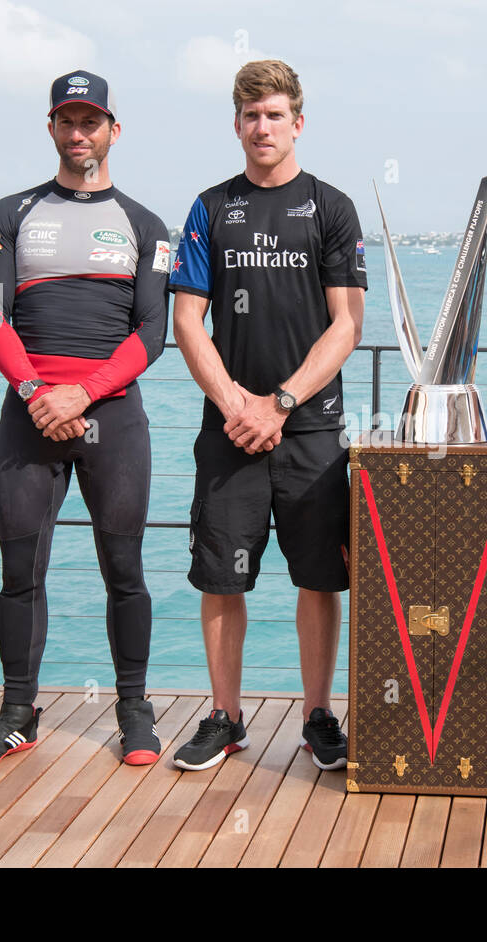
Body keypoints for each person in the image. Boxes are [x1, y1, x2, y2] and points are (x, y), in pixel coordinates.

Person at [0, 70, 171, 770]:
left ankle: (133, 710)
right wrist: (35, 391)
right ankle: (17, 714)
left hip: (112, 418)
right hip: (29, 416)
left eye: (91, 121)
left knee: (125, 569)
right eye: (66, 121)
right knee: (20, 570)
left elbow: (151, 331)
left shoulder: (145, 225)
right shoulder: (10, 213)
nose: (79, 133)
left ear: (114, 129)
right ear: (51, 128)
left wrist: (80, 395)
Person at [167, 59, 366, 772]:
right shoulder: (210, 207)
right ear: (236, 124)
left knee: (320, 577)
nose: (262, 127)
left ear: (297, 123)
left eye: (275, 114)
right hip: (229, 429)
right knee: (221, 578)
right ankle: (225, 715)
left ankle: (317, 714)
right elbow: (187, 320)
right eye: (250, 115)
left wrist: (280, 402)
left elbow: (346, 325)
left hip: (310, 429)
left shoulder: (331, 207)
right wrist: (236, 404)